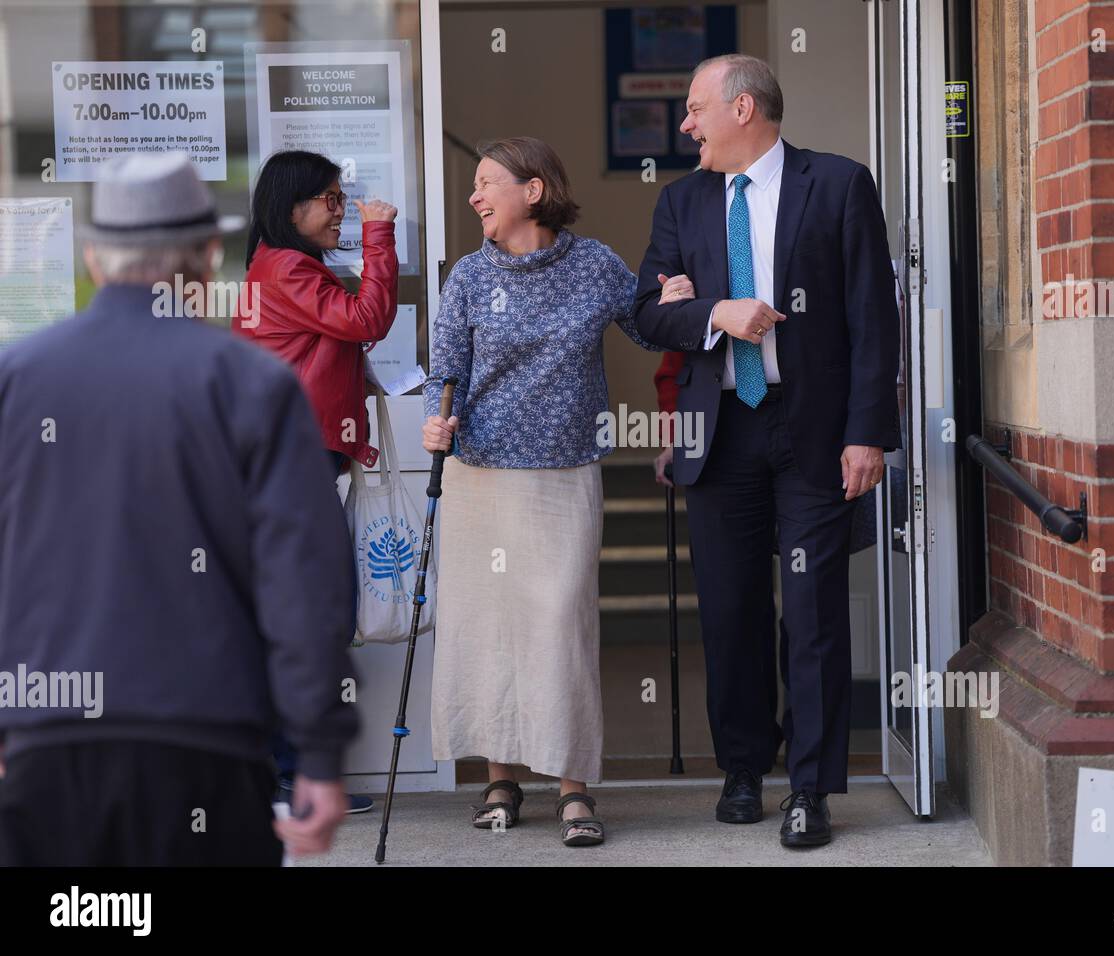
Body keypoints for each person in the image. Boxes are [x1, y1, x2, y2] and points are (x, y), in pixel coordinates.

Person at [0, 151, 358, 865]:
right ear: (209, 256)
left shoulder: (18, 378)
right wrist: (318, 752)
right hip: (208, 742)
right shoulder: (251, 384)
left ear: (94, 257)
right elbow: (305, 580)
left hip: (45, 742)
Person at [633, 55, 901, 848]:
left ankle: (810, 791)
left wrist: (868, 433)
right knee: (731, 608)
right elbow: (649, 313)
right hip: (722, 433)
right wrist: (715, 309)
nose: (685, 125)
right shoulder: (680, 202)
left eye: (694, 108)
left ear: (743, 107)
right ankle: (745, 769)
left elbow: (871, 318)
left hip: (814, 431)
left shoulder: (840, 183)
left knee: (812, 611)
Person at [420, 136, 659, 847]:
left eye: (486, 182)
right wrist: (438, 419)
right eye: (474, 185)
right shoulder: (467, 275)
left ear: (533, 190)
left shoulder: (594, 265)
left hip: (563, 476)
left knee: (558, 627)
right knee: (489, 629)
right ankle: (500, 780)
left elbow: (647, 329)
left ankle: (573, 787)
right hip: (480, 474)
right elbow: (445, 369)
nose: (474, 196)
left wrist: (678, 298)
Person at [236, 149, 400, 814]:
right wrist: (380, 234)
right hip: (288, 470)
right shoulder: (286, 269)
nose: (340, 210)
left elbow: (340, 336)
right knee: (302, 626)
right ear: (291, 206)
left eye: (342, 197)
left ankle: (292, 775)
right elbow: (365, 319)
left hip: (290, 466)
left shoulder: (287, 268)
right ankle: (287, 779)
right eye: (329, 199)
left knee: (301, 623)